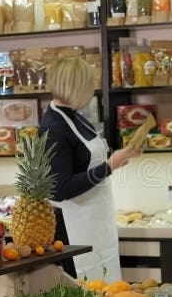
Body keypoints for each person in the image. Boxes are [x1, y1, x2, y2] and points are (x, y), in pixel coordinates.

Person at [39, 56, 141, 282]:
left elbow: (85, 162)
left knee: (107, 287)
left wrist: (120, 158)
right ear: (78, 86)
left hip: (94, 222)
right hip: (73, 228)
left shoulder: (75, 117)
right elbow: (61, 188)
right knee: (87, 295)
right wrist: (109, 166)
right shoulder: (53, 127)